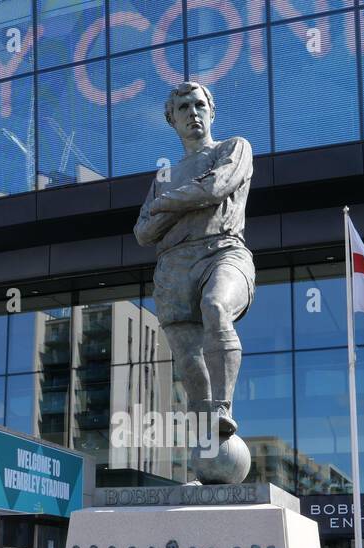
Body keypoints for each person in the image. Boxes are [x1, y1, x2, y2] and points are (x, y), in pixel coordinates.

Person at [133, 81, 254, 443]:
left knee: (216, 305)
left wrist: (166, 205)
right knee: (187, 359)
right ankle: (207, 438)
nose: (193, 113)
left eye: (199, 105)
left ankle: (223, 407)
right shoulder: (164, 176)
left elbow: (216, 187)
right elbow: (142, 233)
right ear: (172, 120)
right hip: (172, 270)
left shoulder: (234, 148)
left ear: (211, 111)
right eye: (183, 108)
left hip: (222, 251)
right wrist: (185, 201)